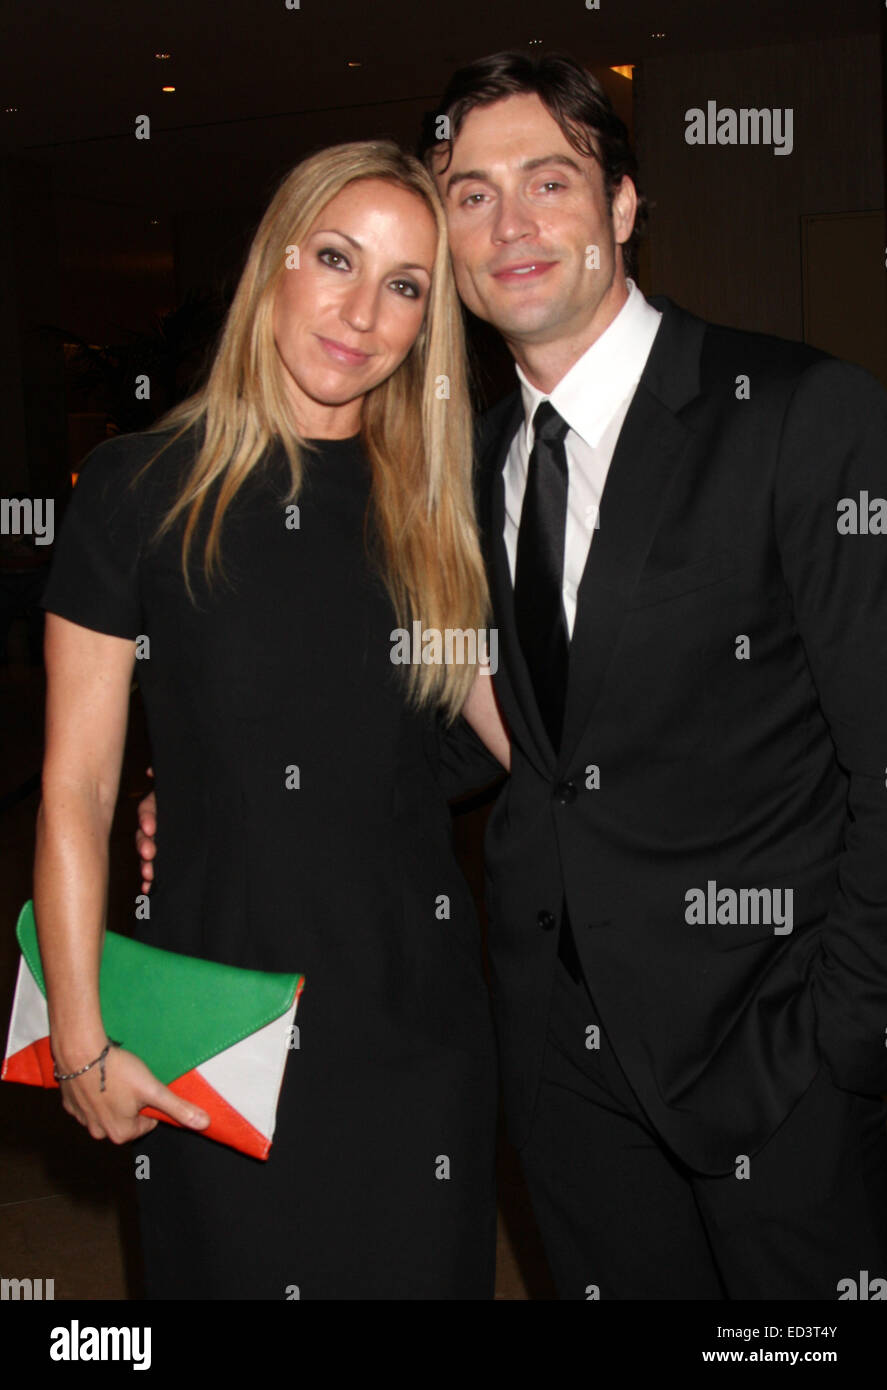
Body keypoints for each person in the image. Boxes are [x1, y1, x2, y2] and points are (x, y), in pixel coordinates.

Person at [140, 52, 887, 1300]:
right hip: (551, 1066)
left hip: (772, 1056)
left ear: (623, 207)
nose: (513, 223)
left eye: (549, 180)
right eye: (471, 194)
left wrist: (834, 1042)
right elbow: (475, 735)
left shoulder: (798, 418)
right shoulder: (451, 472)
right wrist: (228, 791)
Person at [36, 139, 507, 1300]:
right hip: (218, 1025)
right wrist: (82, 1038)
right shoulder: (138, 488)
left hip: (417, 1033)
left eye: (403, 285)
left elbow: (506, 740)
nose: (361, 312)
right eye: (337, 260)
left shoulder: (443, 514)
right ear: (276, 261)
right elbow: (76, 788)